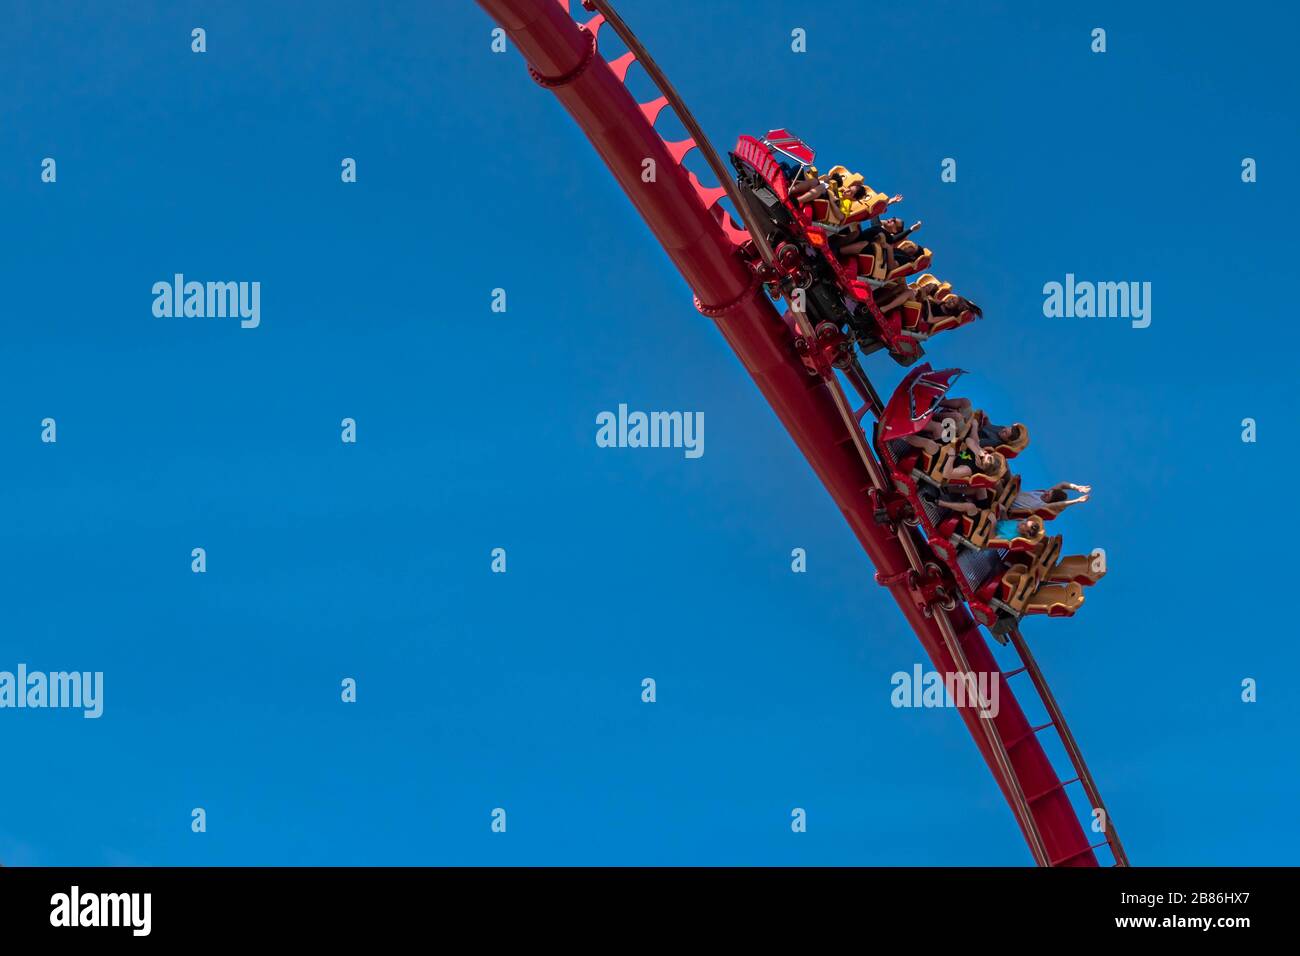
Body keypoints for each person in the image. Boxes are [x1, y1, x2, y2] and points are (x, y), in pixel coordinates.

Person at [1010, 482, 1091, 517]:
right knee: (1003, 466)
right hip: (1012, 491)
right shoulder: (1042, 493)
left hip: (1008, 502)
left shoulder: (1043, 506)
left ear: (1050, 502)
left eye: (1047, 496)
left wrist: (1077, 500)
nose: (1045, 494)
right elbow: (1062, 484)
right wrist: (1077, 488)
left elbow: (1059, 505)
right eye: (1048, 492)